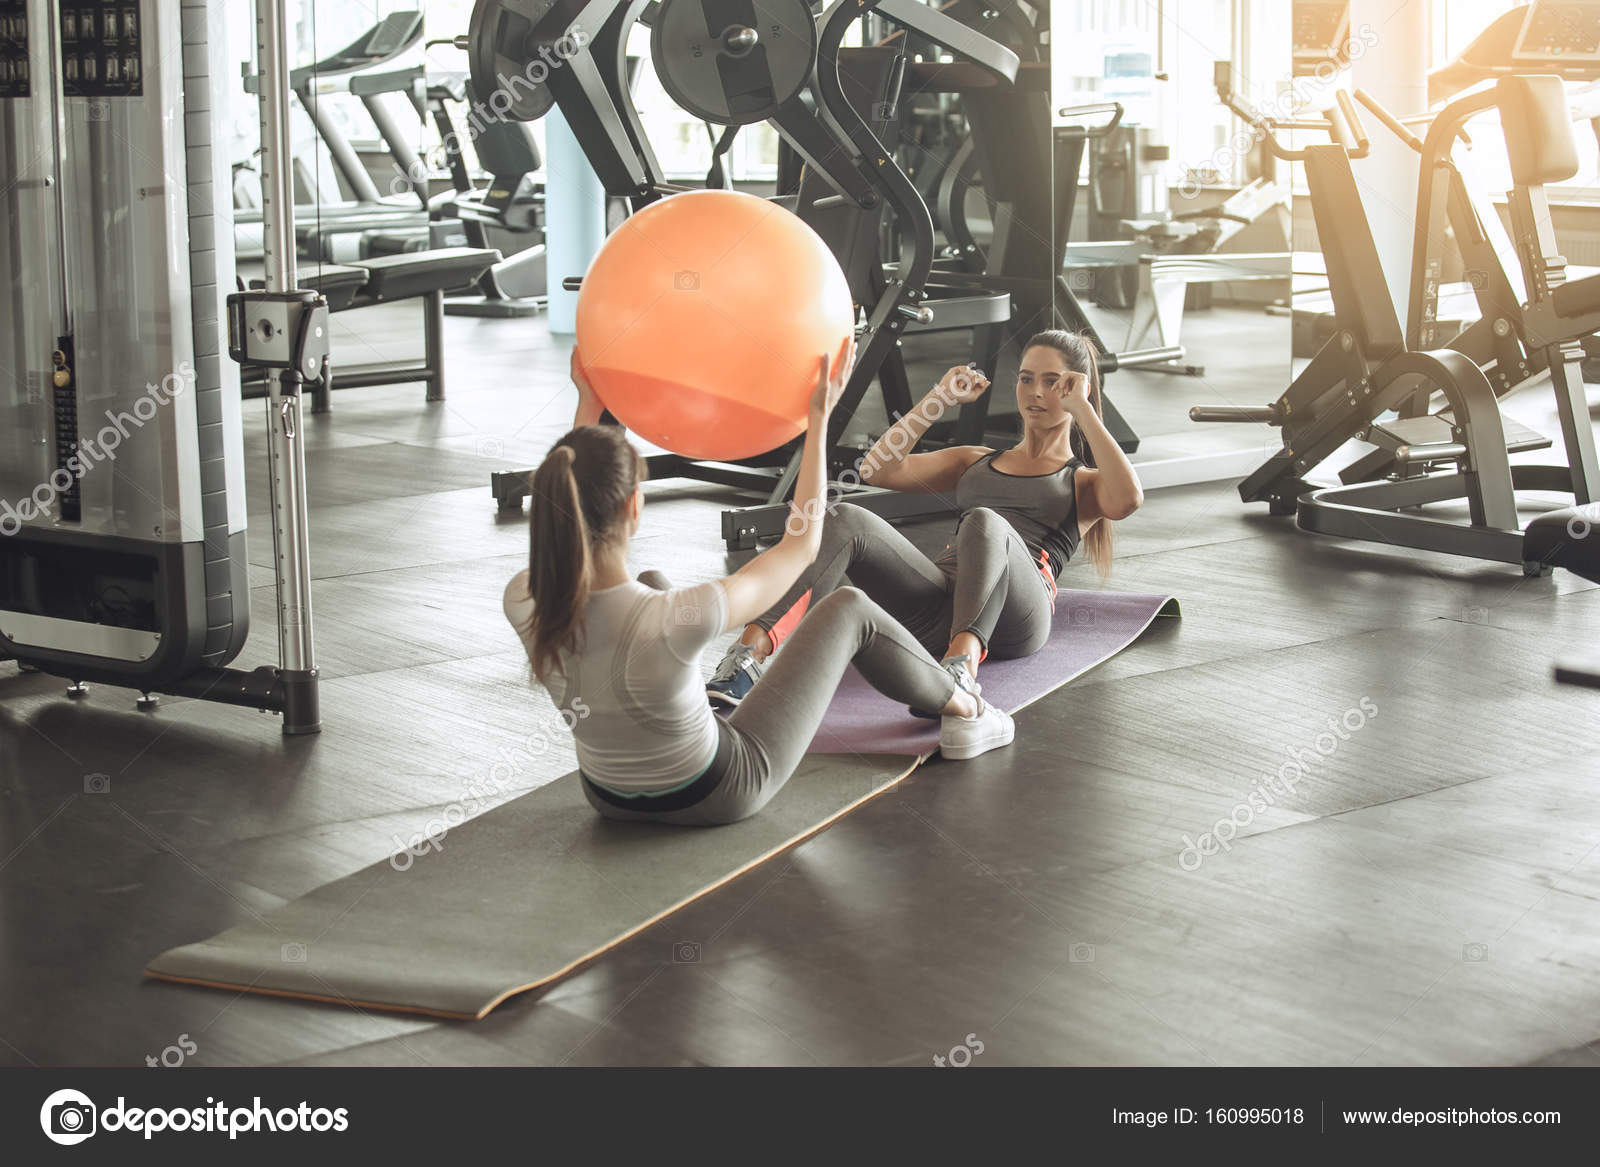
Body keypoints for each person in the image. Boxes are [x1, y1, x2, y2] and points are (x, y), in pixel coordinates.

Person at [504, 343, 1015, 828]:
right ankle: (966, 706)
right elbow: (802, 544)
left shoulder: (525, 597)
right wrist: (819, 423)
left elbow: (573, 489)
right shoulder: (682, 614)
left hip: (608, 797)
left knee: (651, 584)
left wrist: (589, 402)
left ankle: (721, 684)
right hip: (720, 792)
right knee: (848, 608)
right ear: (633, 508)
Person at [705, 329, 1145, 714]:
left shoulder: (1081, 481)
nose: (1035, 392)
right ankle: (747, 658)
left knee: (984, 521)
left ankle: (960, 671)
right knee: (846, 517)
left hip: (1016, 616)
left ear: (1073, 389)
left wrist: (1083, 409)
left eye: (1052, 383)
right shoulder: (976, 460)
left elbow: (1128, 500)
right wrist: (940, 397)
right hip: (937, 608)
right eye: (1026, 379)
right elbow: (876, 468)